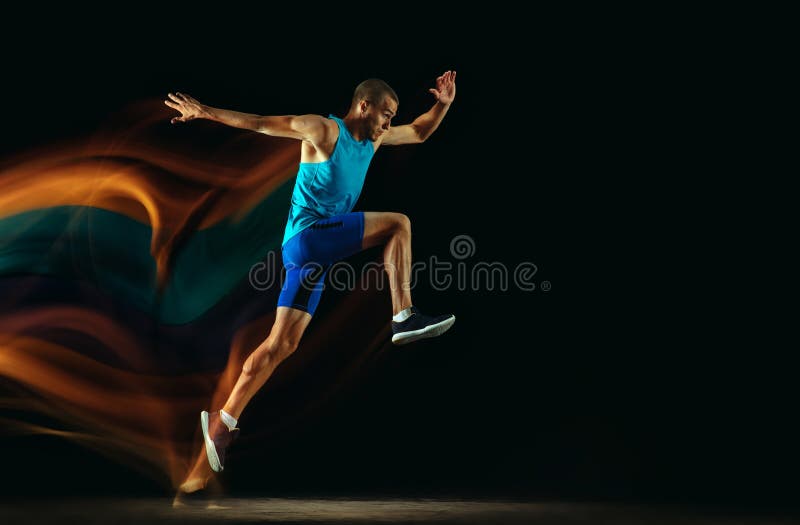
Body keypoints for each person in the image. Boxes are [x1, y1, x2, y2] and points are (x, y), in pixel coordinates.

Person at [164, 71, 457, 482]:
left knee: (282, 343)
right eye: (386, 114)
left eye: (393, 117)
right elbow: (262, 123)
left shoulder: (374, 139)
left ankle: (222, 421)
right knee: (399, 224)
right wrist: (204, 112)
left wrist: (442, 104)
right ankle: (403, 315)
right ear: (363, 106)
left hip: (308, 255)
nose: (390, 123)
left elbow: (420, 132)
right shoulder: (322, 129)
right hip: (308, 238)